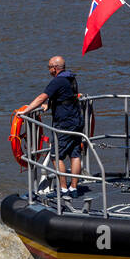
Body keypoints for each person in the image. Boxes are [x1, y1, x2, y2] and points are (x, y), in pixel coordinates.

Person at [24, 56, 85, 198]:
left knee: (55, 155)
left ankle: (63, 189)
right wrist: (49, 105)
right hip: (76, 120)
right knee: (75, 154)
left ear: (55, 68)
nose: (49, 70)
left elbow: (41, 97)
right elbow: (65, 96)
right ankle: (74, 188)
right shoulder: (71, 78)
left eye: (49, 67)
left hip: (64, 123)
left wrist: (26, 111)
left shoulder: (57, 80)